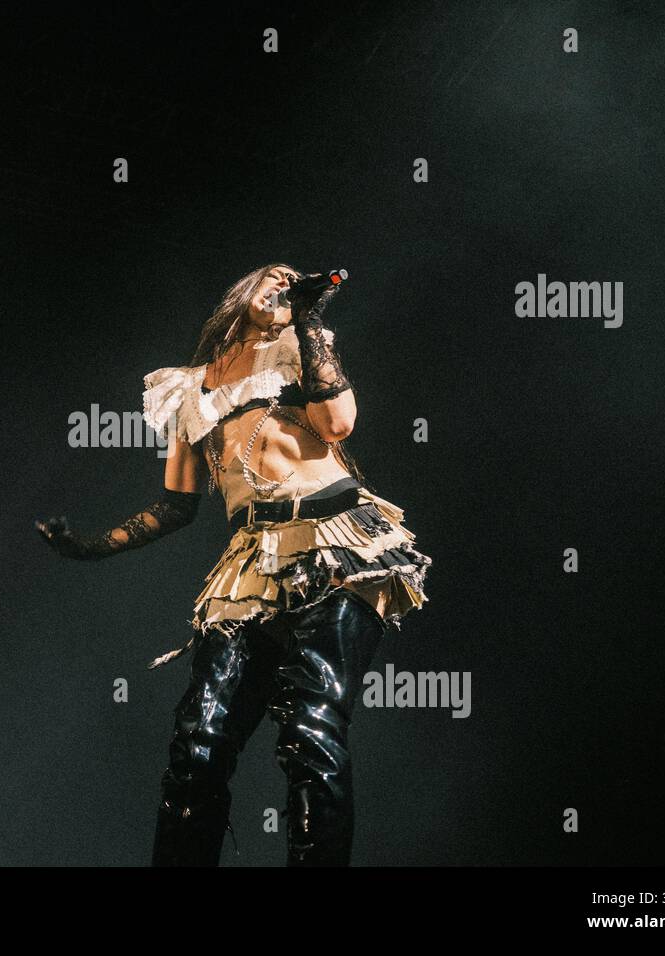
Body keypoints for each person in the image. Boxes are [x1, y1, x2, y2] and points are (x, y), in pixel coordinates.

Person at [36, 263, 431, 866]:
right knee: (199, 738)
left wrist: (311, 319)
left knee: (311, 729)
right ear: (243, 293)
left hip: (336, 544)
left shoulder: (306, 347)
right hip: (249, 566)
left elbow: (338, 424)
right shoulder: (188, 387)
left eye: (294, 278)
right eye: (274, 275)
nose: (284, 281)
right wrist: (89, 546)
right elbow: (176, 506)